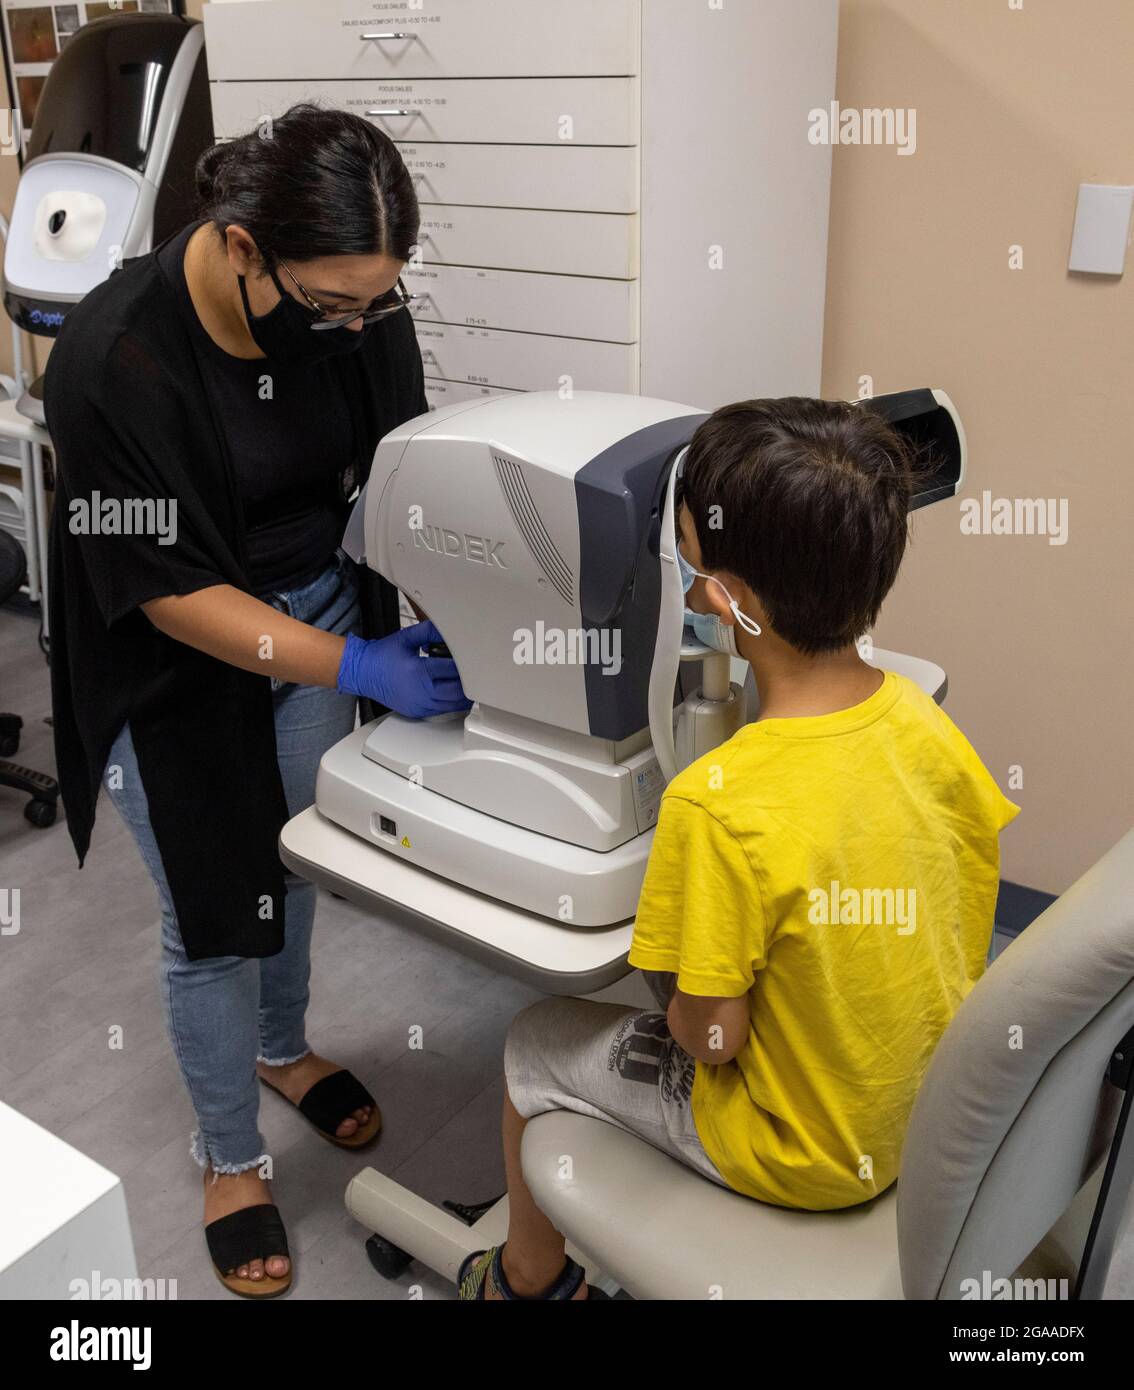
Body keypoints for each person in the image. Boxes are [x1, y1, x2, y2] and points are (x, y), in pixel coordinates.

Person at [458, 397, 1019, 1300]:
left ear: (730, 604)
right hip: (929, 1114)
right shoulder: (921, 714)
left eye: (689, 566)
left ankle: (523, 1279)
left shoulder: (716, 806)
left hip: (808, 1158)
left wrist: (684, 993)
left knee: (533, 1039)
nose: (682, 590)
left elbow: (712, 1040)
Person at [46, 104, 469, 1298]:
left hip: (318, 614)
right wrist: (349, 670)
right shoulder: (114, 356)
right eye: (333, 302)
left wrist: (434, 596)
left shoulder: (358, 313)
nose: (357, 326)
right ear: (241, 248)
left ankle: (284, 1051)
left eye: (375, 301)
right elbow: (166, 588)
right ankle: (229, 1153)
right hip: (172, 654)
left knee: (296, 860)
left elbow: (399, 461)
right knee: (211, 908)